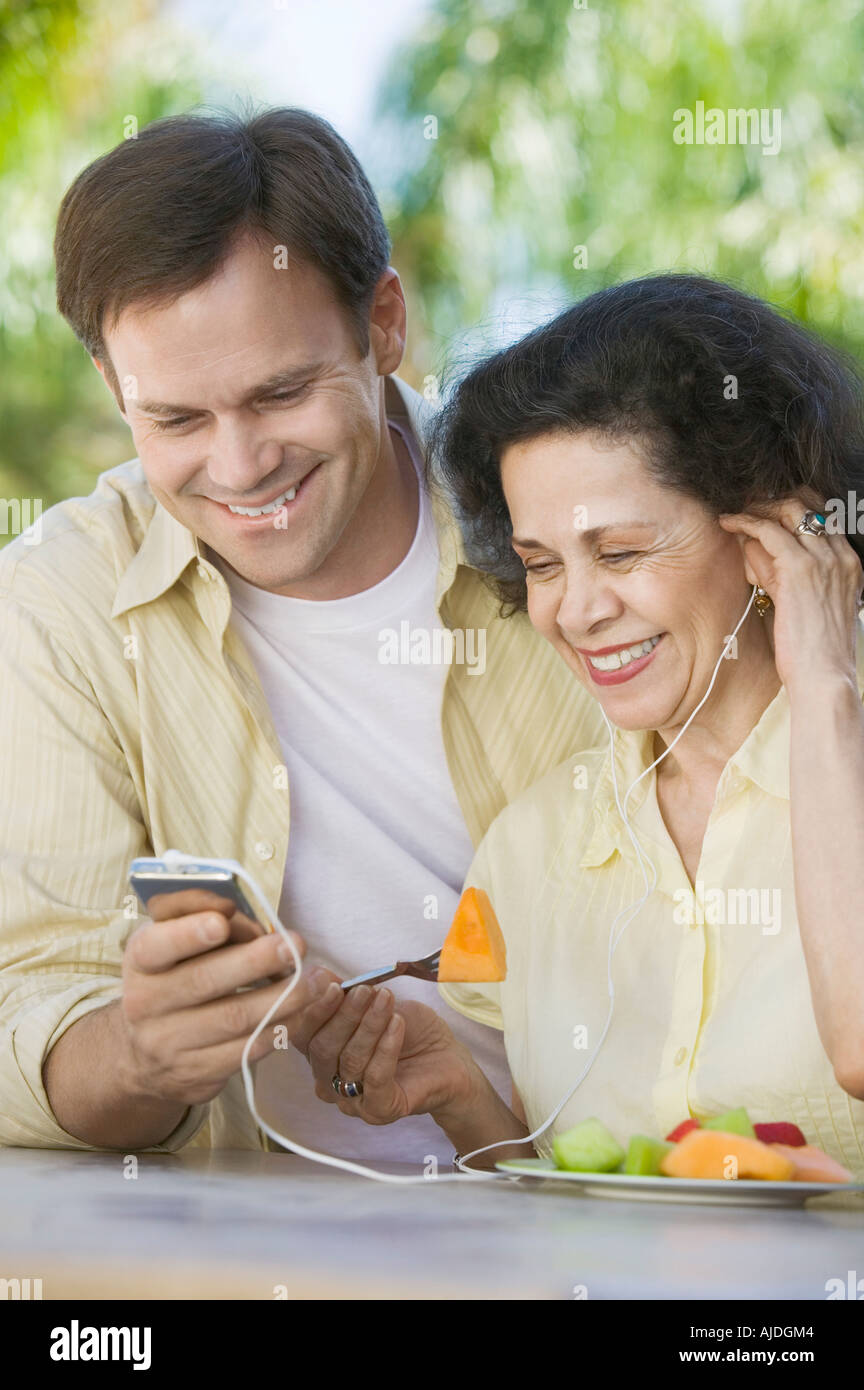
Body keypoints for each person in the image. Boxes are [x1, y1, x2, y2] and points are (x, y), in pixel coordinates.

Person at [0, 107, 608, 1163]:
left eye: (279, 393)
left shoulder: (574, 520)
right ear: (114, 387)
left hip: (605, 1216)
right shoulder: (57, 607)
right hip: (258, 1248)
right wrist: (141, 1053)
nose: (239, 469)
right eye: (176, 421)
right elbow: (34, 1009)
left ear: (382, 325)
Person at [290, 274, 864, 1180]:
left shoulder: (849, 741)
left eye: (623, 552)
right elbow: (574, 1213)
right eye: (542, 564)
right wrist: (462, 1098)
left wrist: (828, 682)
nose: (578, 610)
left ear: (772, 531)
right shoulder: (534, 846)